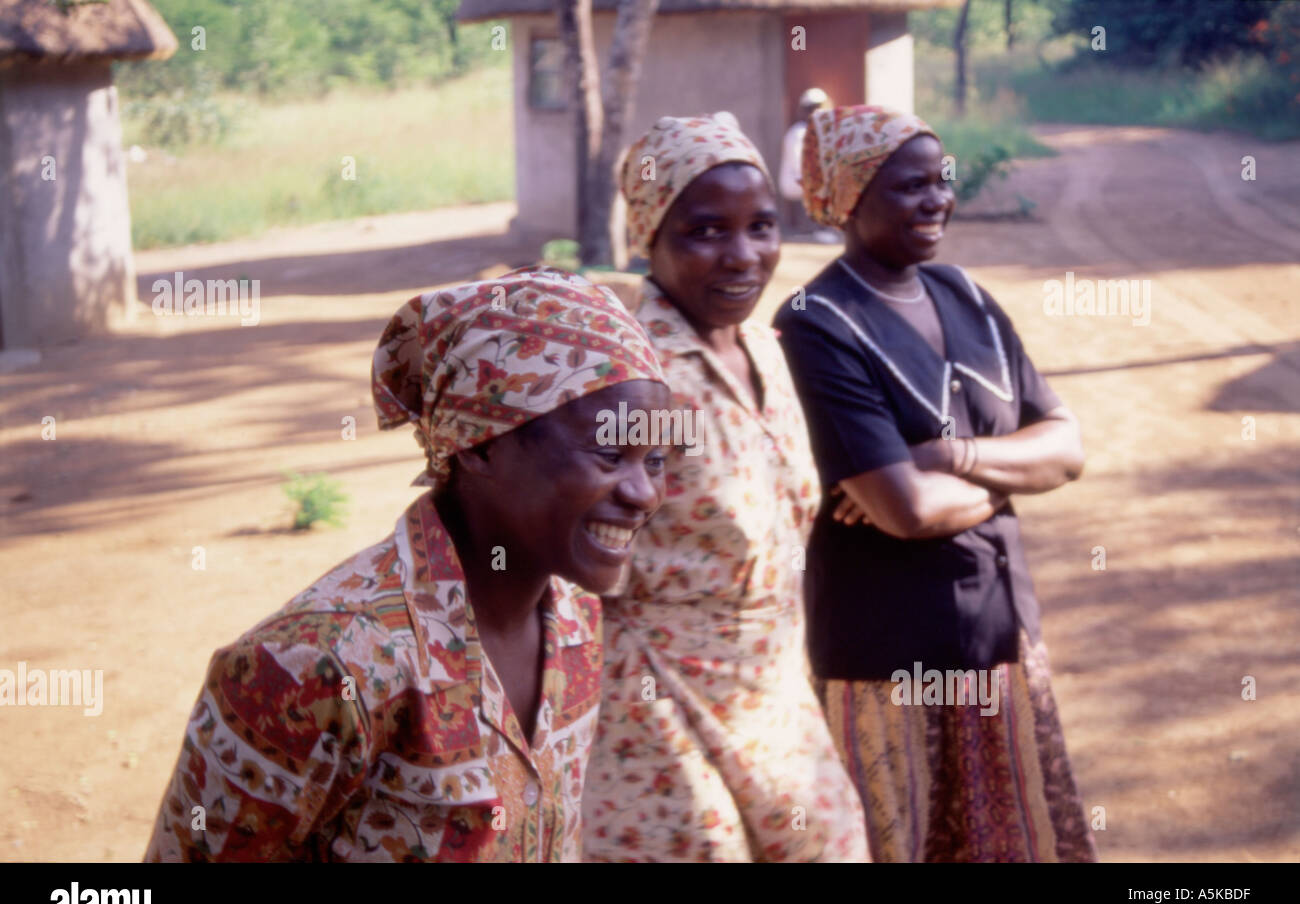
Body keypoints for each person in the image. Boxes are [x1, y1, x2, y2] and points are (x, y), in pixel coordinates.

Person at [144, 267, 673, 862]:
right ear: (479, 445)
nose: (645, 493)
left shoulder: (576, 623)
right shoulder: (318, 665)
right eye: (608, 454)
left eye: (655, 459)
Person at [773, 105, 1097, 862]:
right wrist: (1009, 474)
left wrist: (948, 457)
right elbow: (908, 513)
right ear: (849, 196)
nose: (936, 200)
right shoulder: (817, 323)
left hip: (999, 636)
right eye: (909, 186)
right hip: (888, 658)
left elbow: (1069, 447)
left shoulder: (969, 298)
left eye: (940, 181)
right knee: (904, 840)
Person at [582, 112, 869, 862]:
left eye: (762, 226)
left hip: (775, 694)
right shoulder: (629, 376)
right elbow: (562, 557)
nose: (743, 256)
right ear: (651, 234)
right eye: (706, 231)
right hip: (653, 708)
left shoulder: (767, 354)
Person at [778, 87, 838, 244]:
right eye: (812, 108)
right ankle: (815, 230)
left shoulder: (816, 131)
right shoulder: (798, 132)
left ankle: (820, 228)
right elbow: (800, 166)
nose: (817, 111)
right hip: (796, 182)